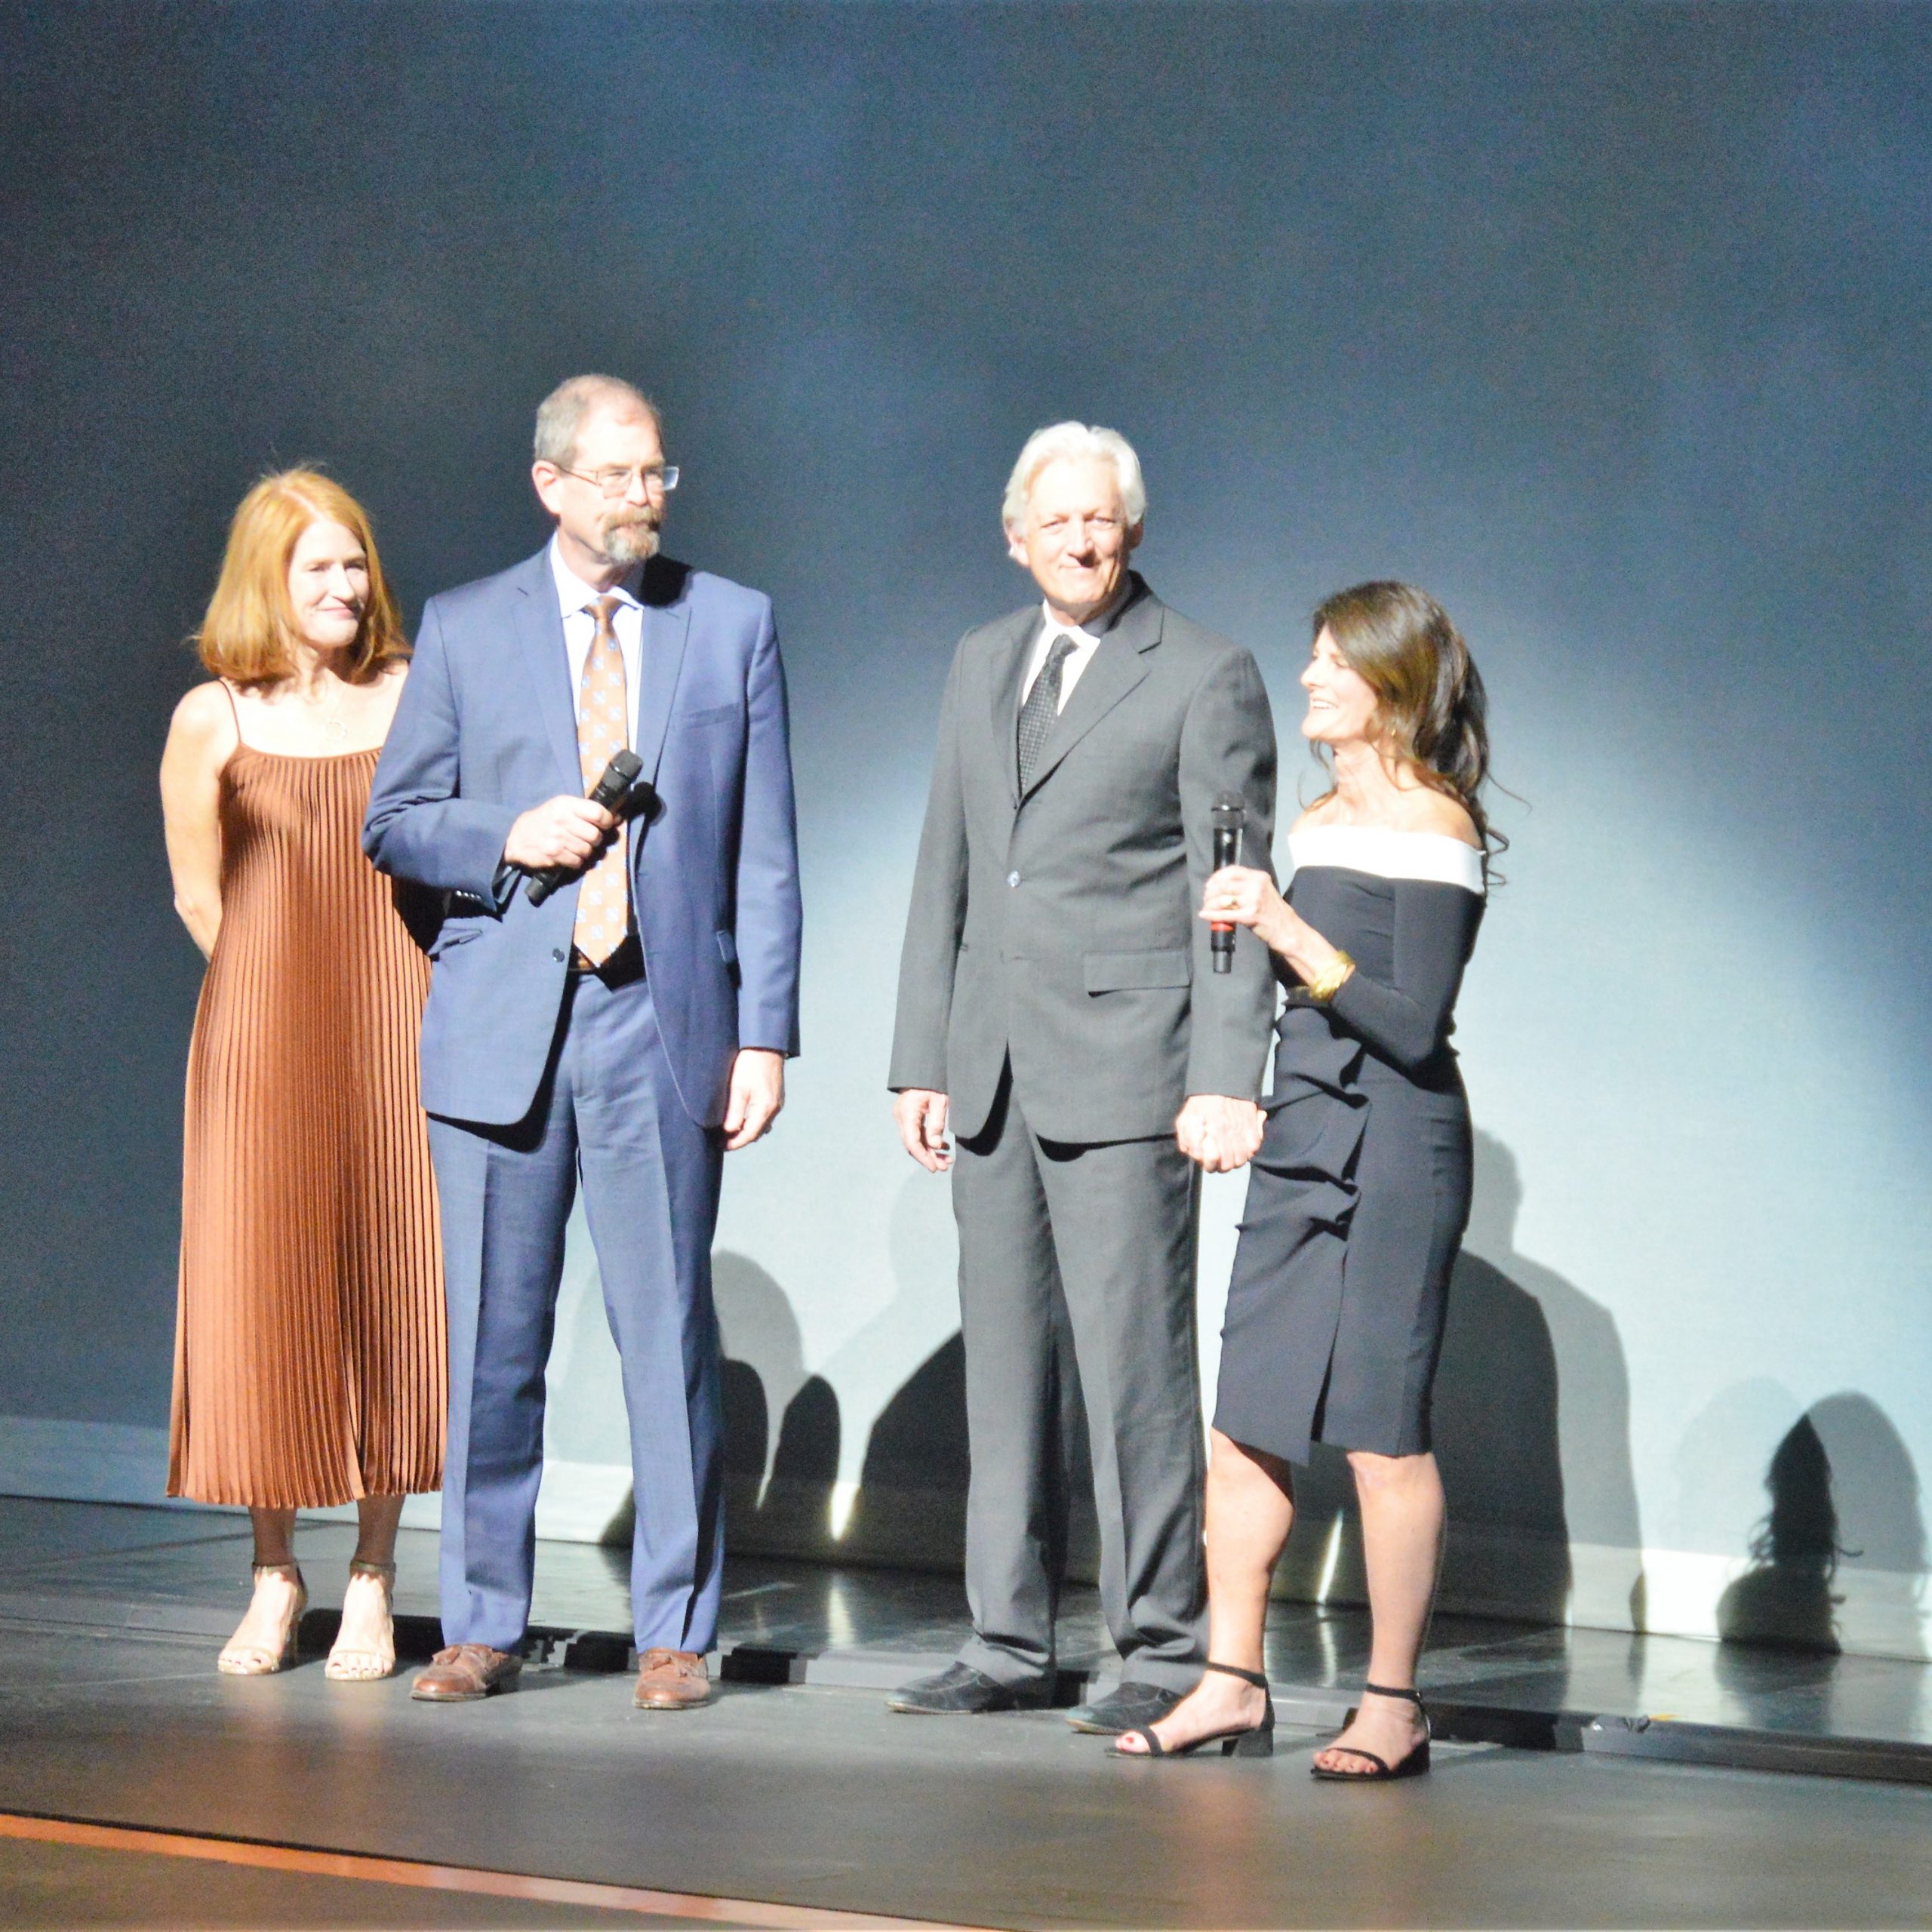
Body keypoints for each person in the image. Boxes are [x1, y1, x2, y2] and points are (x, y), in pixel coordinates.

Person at [364, 375, 801, 1710]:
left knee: (664, 1335)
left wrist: (767, 1035)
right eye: (619, 478)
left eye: (659, 475)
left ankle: (678, 1631)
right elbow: (394, 821)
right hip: (504, 1022)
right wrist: (506, 831)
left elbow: (765, 851)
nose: (645, 500)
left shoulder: (729, 624)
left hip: (658, 1020)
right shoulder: (462, 627)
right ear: (551, 483)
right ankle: (483, 1622)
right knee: (495, 1342)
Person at [887, 423, 1278, 1733]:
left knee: (1136, 1377)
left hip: (1129, 1067)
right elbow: (948, 862)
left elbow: (1229, 901)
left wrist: (1230, 1071)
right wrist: (920, 1057)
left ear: (1136, 530)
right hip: (990, 1062)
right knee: (1003, 1375)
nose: (1082, 540)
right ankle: (1007, 1642)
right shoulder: (979, 663)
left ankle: (1160, 1649)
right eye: (1057, 522)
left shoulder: (1207, 674)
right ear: (1016, 537)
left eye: (1102, 519)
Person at [1114, 580, 1495, 1778]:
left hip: (1398, 1144)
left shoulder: (1438, 829)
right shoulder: (1320, 820)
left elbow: (1416, 1024)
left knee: (1382, 1438)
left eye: (1336, 664)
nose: (1311, 680)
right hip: (1304, 1131)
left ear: (1393, 687)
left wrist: (1283, 927)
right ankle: (1232, 1682)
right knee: (1249, 1427)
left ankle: (1393, 1702)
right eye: (1312, 657)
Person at [160, 470, 444, 1683]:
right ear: (265, 581)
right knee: (263, 1294)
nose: (344, 586)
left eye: (355, 562)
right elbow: (197, 890)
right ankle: (275, 1574)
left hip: (402, 1025)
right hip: (263, 1040)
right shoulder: (211, 716)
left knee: (394, 1281)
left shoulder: (417, 691)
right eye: (317, 567)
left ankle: (375, 1579)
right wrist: (276, 998)